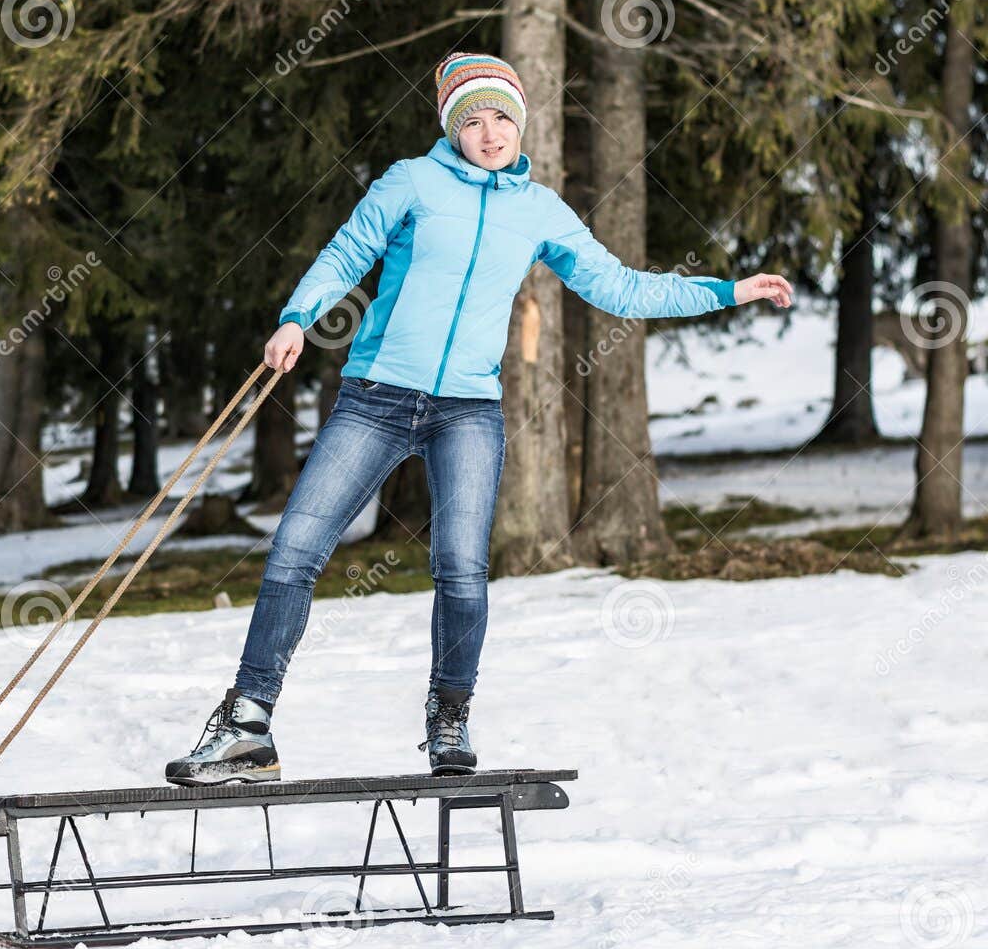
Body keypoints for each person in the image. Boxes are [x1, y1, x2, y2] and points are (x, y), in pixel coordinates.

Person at [164, 50, 793, 787]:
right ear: (452, 129)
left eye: (501, 117)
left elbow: (619, 287)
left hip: (467, 409)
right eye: (472, 120)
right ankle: (247, 725)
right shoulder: (411, 182)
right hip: (375, 396)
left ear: (519, 124)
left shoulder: (540, 211)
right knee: (296, 546)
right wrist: (298, 318)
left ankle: (450, 716)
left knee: (461, 566)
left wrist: (731, 289)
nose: (489, 132)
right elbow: (346, 252)